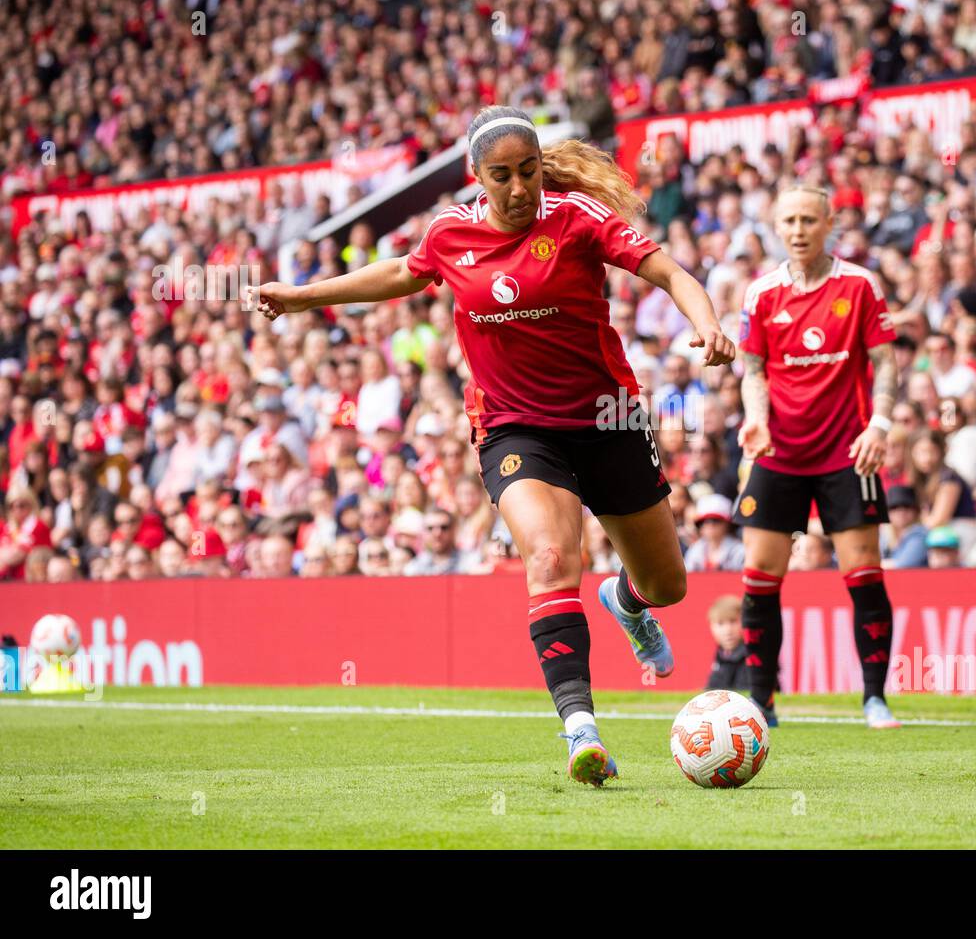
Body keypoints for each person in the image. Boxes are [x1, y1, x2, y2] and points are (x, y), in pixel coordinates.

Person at [248, 106, 736, 787]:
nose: (518, 188)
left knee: (667, 585)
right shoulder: (450, 232)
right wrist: (304, 297)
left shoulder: (577, 219)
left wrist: (708, 324)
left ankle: (625, 602)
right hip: (515, 428)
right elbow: (401, 273)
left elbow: (668, 273)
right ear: (478, 178)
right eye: (501, 176)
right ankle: (581, 732)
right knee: (546, 555)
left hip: (608, 419)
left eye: (528, 171)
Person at [732, 184, 901, 730]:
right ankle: (763, 701)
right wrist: (754, 417)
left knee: (863, 572)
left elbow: (886, 362)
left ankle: (875, 699)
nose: (800, 229)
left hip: (847, 452)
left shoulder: (859, 284)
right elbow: (753, 370)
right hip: (778, 450)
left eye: (810, 219)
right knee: (759, 574)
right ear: (776, 227)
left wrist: (880, 424)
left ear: (830, 223)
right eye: (790, 221)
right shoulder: (760, 294)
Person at [704, 595, 748, 690]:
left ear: (745, 622)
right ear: (711, 626)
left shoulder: (752, 658)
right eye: (720, 623)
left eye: (733, 621)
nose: (728, 630)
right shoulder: (721, 656)